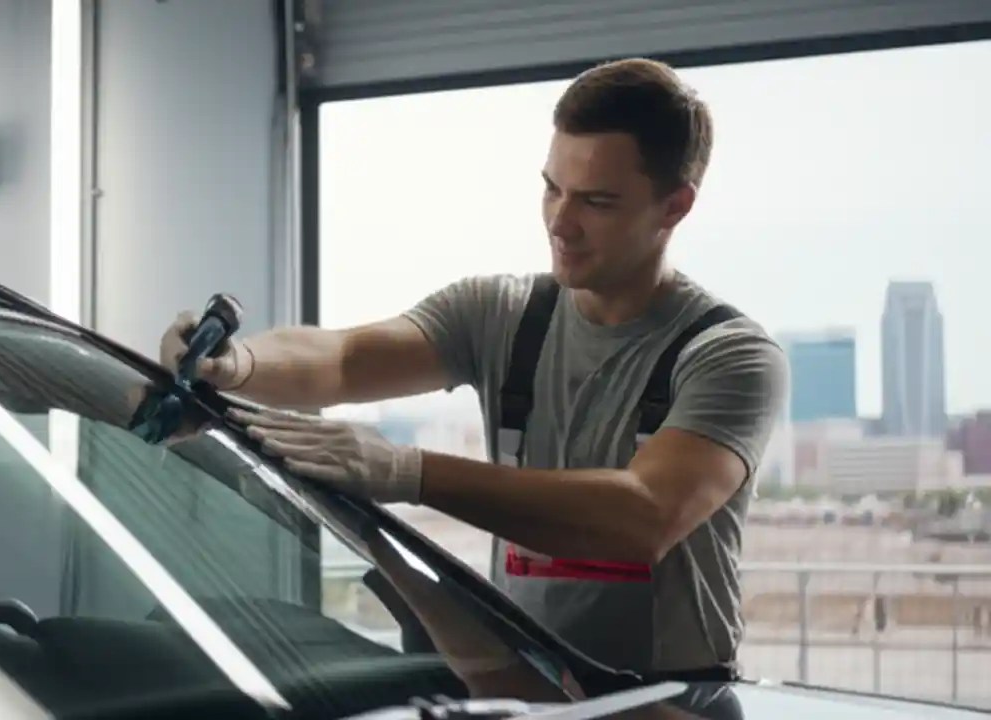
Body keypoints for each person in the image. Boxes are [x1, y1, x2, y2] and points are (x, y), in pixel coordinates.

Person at [158, 57, 788, 687]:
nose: (560, 222)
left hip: (673, 703)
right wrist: (237, 364)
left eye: (596, 201)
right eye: (551, 188)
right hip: (523, 692)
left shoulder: (732, 357)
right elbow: (347, 359)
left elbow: (643, 517)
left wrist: (408, 472)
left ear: (674, 207)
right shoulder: (500, 313)